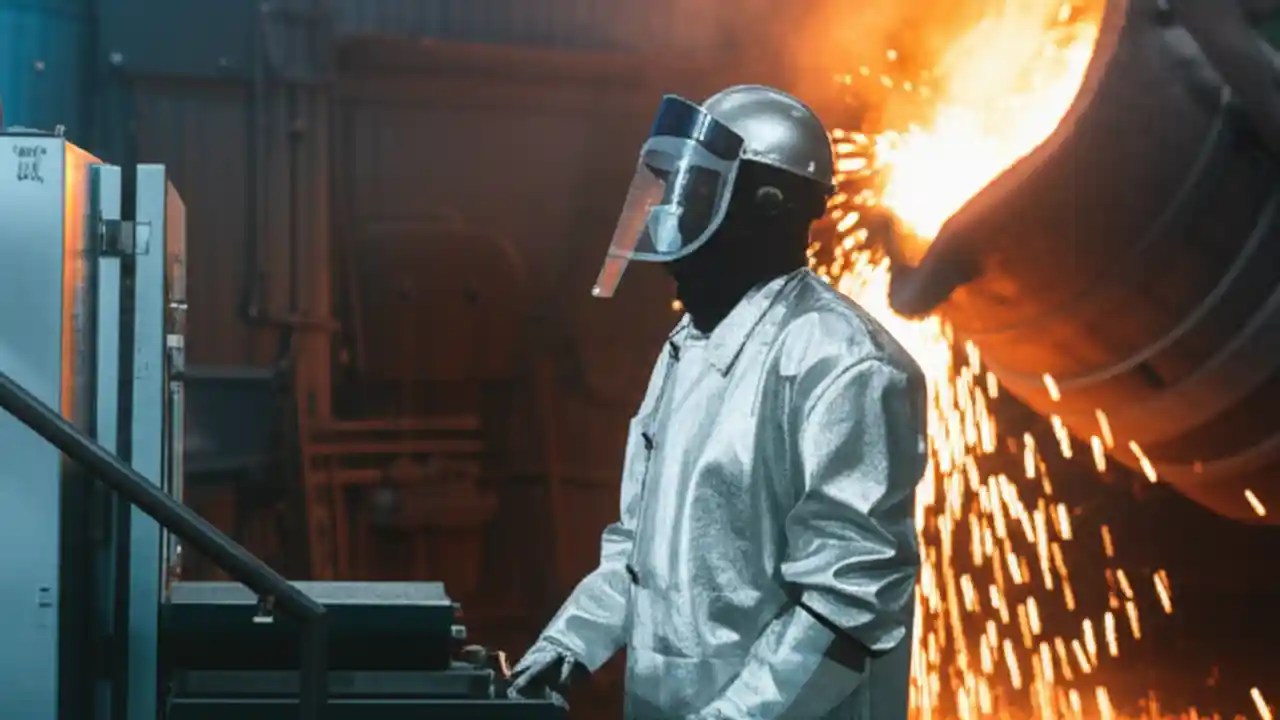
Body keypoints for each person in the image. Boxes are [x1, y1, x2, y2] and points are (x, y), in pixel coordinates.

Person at [508, 85, 929, 719]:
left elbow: (849, 606)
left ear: (768, 208)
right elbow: (636, 553)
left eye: (697, 194)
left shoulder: (844, 365)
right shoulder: (690, 345)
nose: (673, 221)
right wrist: (567, 646)